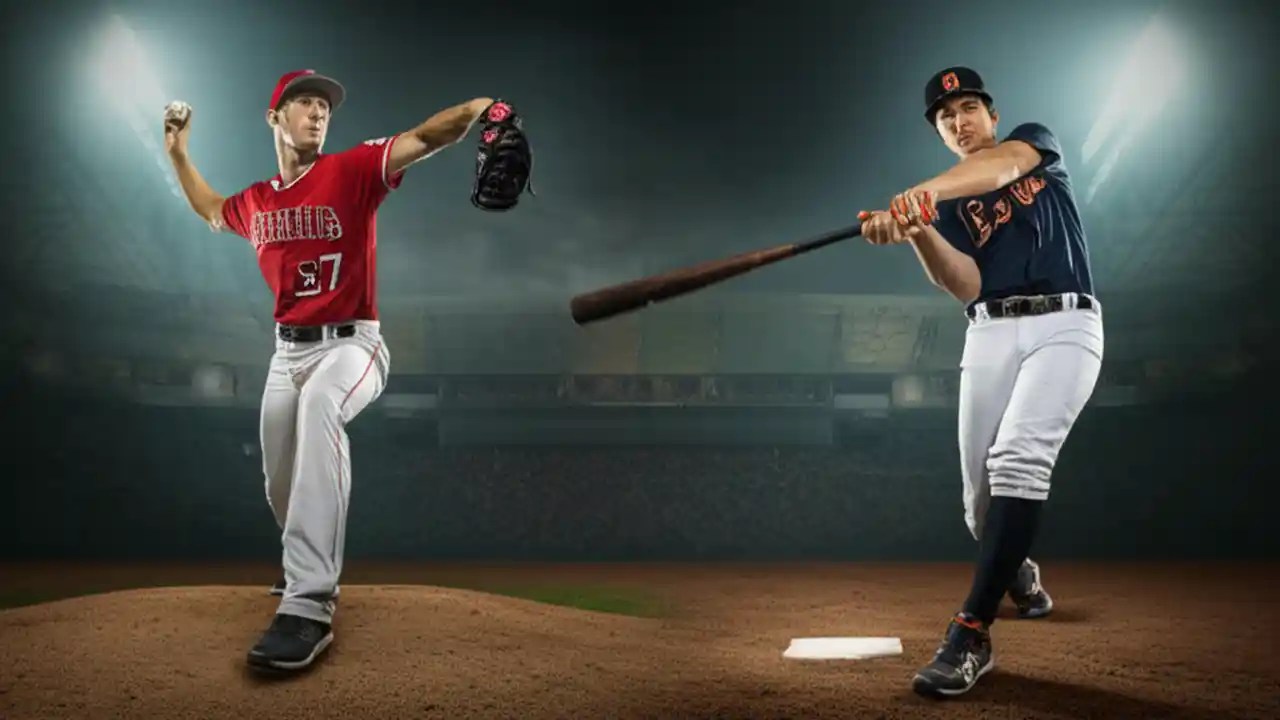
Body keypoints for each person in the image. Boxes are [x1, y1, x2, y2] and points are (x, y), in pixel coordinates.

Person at [164, 69, 499, 673]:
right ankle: (298, 564)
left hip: (353, 345)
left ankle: (308, 606)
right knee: (279, 480)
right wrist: (179, 154)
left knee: (322, 405)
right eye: (304, 103)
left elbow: (424, 138)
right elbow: (211, 209)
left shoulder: (350, 172)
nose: (318, 113)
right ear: (275, 118)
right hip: (285, 353)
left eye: (324, 106)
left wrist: (479, 104)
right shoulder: (257, 203)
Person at [857, 66, 1103, 698]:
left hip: (1065, 324)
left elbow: (998, 171)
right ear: (939, 132)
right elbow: (964, 284)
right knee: (978, 504)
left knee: (1020, 460)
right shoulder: (949, 203)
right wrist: (916, 229)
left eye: (969, 107)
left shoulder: (1031, 143)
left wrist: (917, 196)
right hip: (990, 329)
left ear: (993, 116)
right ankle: (1015, 568)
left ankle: (970, 633)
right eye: (946, 117)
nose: (960, 121)